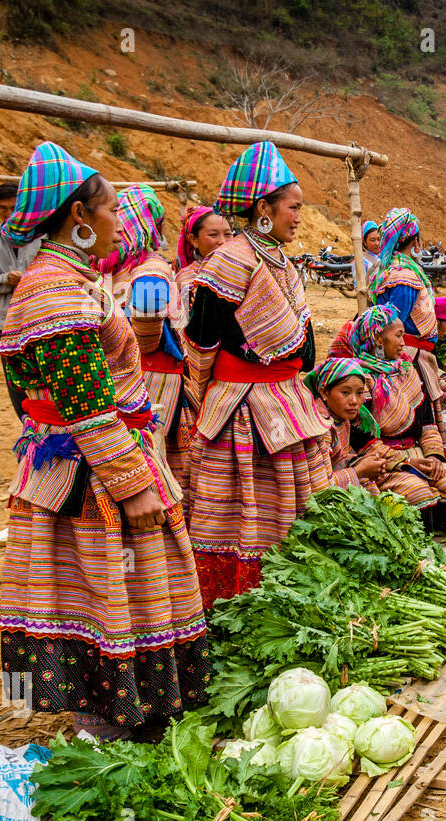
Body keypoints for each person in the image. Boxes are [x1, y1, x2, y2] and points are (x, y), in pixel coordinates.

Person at [0, 142, 208, 741]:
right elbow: (83, 404)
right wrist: (133, 485)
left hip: (98, 458)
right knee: (105, 586)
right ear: (80, 217)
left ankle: (134, 716)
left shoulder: (72, 279)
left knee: (122, 587)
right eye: (113, 207)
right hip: (94, 474)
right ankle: (112, 725)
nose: (122, 219)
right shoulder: (56, 291)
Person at [186, 141, 331, 607]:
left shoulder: (280, 260)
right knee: (246, 507)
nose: (299, 217)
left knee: (289, 504)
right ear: (263, 208)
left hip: (287, 399)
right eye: (294, 208)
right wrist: (208, 389)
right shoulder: (233, 258)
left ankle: (295, 593)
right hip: (244, 407)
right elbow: (203, 333)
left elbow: (302, 341)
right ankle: (240, 601)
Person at [97, 184, 195, 500]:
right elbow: (146, 339)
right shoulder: (145, 270)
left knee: (135, 451)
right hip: (145, 375)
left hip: (131, 376)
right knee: (145, 452)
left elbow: (143, 338)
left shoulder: (122, 270)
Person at [349, 305, 446, 533]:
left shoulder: (407, 371)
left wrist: (434, 457)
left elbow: (427, 422)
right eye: (398, 336)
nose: (404, 342)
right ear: (377, 339)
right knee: (418, 492)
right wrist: (404, 463)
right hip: (382, 461)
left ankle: (443, 534)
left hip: (419, 453)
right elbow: (360, 438)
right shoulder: (360, 379)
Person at [371, 208, 445, 423]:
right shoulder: (404, 276)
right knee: (418, 416)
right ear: (414, 241)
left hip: (410, 353)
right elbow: (395, 323)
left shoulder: (392, 270)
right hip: (409, 357)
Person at [0, 181, 41, 421]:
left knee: (44, 378)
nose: (8, 214)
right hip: (6, 324)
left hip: (40, 318)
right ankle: (27, 429)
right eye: (3, 208)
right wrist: (6, 279)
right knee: (16, 383)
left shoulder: (41, 236)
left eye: (14, 208)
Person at [302, 356, 389, 489]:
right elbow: (318, 485)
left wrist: (364, 463)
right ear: (324, 393)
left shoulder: (342, 420)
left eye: (360, 393)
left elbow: (340, 459)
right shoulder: (321, 428)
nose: (354, 401)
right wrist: (359, 471)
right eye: (345, 392)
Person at [354, 219, 381, 292]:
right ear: (364, 242)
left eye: (379, 239)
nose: (377, 243)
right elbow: (358, 288)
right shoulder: (361, 262)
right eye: (373, 240)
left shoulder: (385, 258)